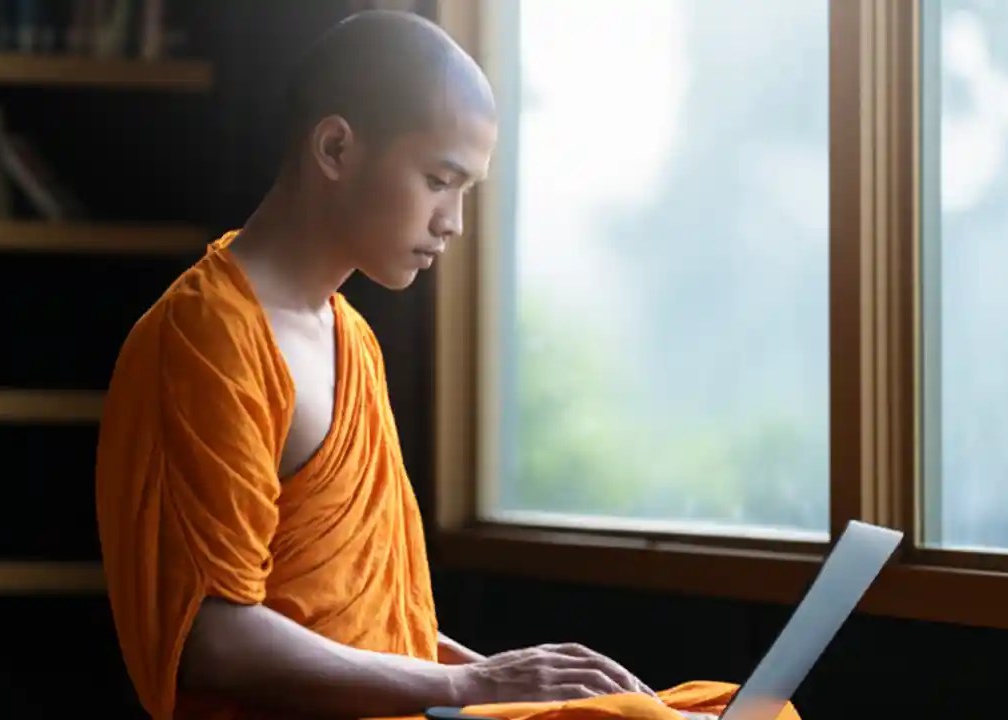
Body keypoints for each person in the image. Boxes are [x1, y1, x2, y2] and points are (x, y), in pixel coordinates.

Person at [95, 10, 793, 720]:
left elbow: (362, 623)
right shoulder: (210, 336)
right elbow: (213, 636)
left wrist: (505, 677)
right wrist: (472, 688)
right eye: (439, 179)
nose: (453, 220)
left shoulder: (352, 338)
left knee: (716, 712)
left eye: (466, 192)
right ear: (335, 148)